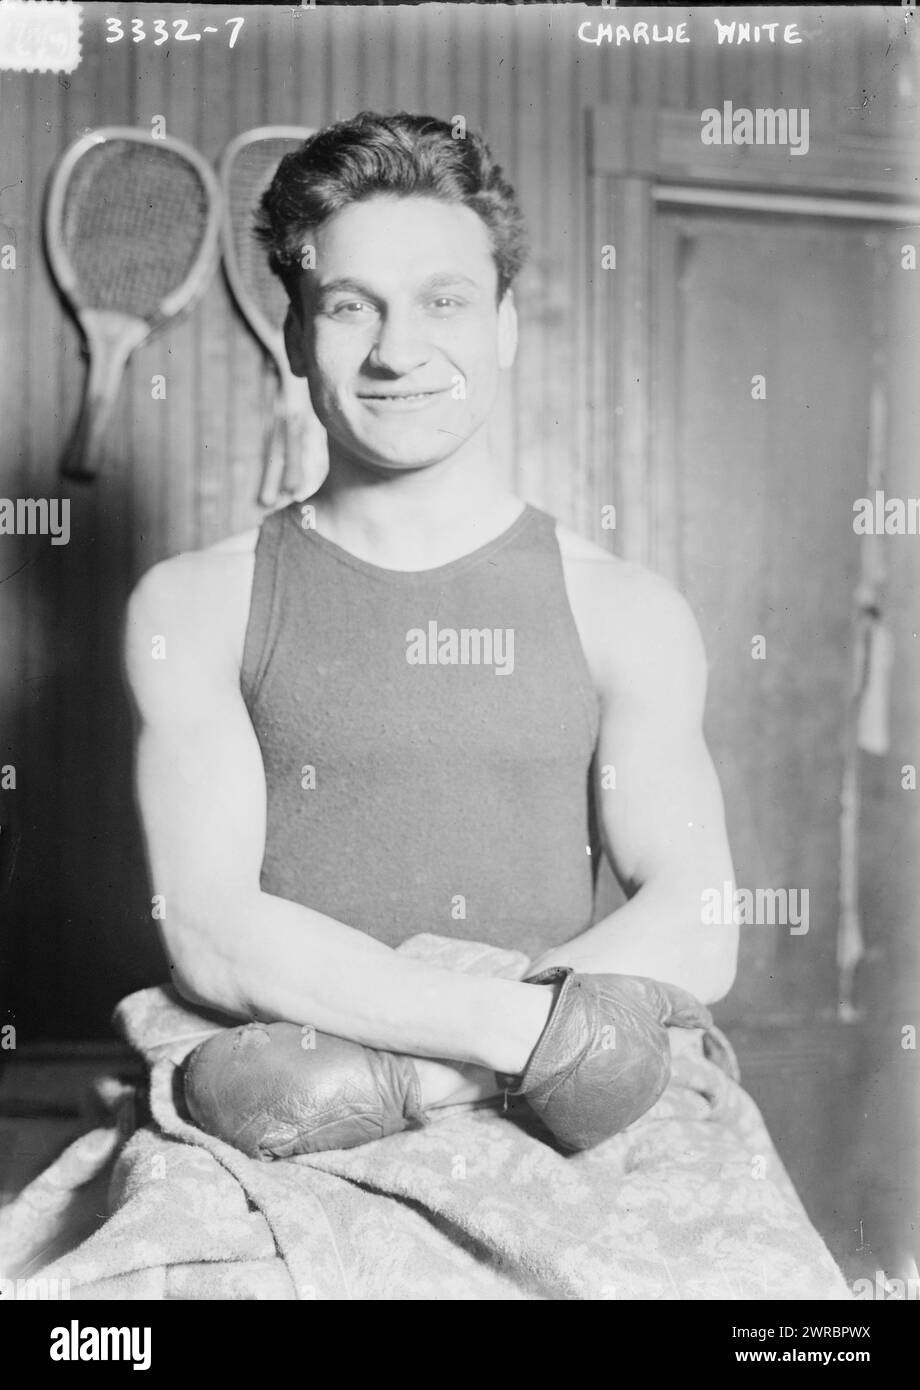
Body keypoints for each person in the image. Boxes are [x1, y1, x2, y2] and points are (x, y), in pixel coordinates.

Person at [125, 110, 739, 1151]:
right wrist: (506, 1031)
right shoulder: (192, 604)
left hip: (557, 1098)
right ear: (292, 335)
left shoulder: (626, 608)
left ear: (501, 326)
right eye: (351, 308)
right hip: (293, 1093)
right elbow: (208, 927)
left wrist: (448, 1073)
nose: (398, 352)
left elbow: (702, 911)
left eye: (442, 302)